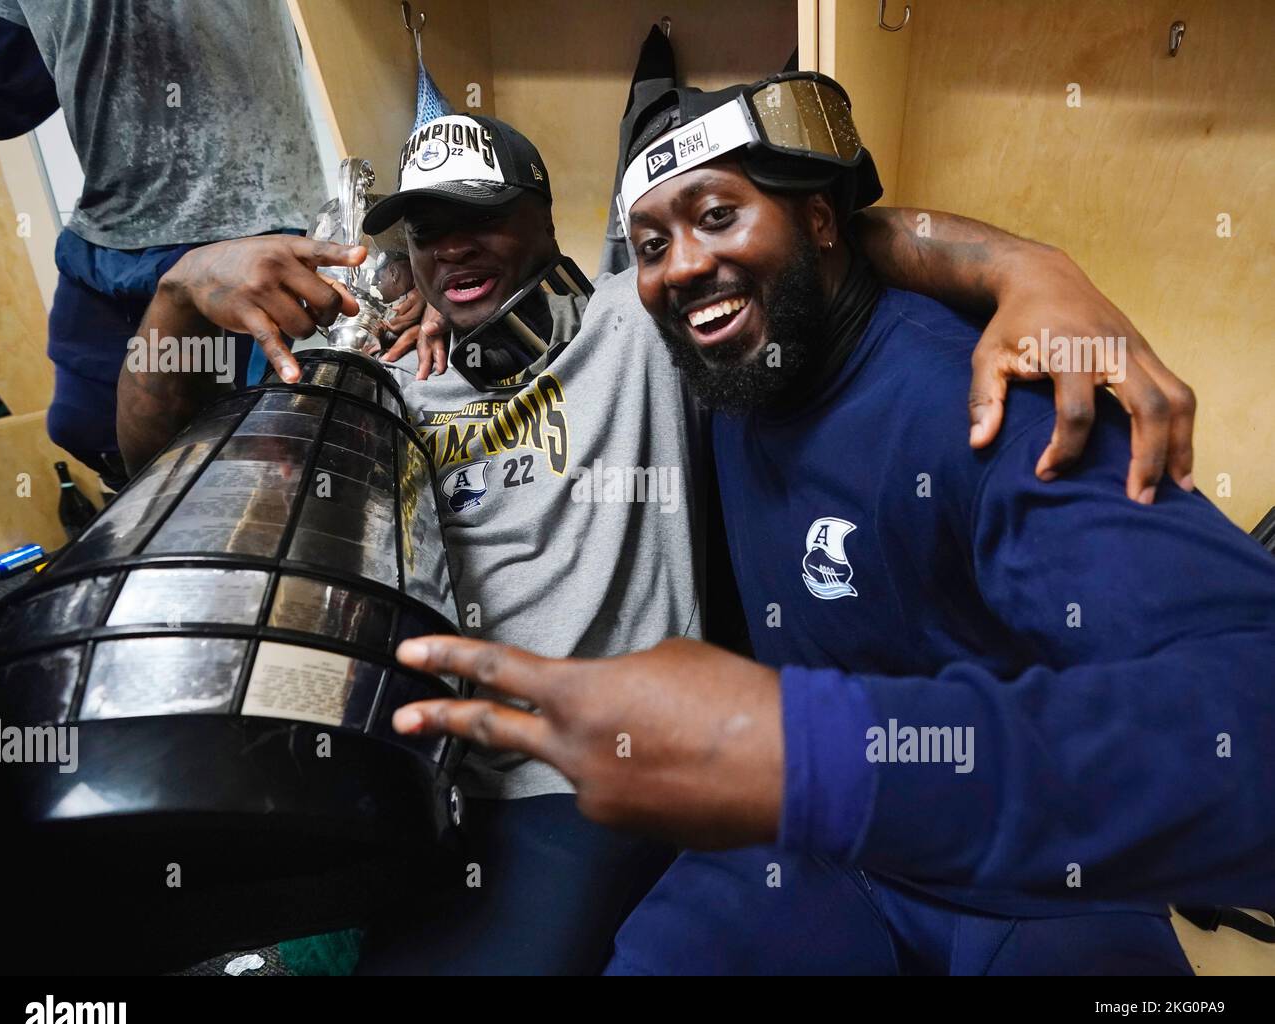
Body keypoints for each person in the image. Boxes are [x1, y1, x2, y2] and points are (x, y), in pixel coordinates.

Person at [118, 107, 1199, 974]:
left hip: (576, 778)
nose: (451, 245)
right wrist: (174, 298)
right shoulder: (386, 378)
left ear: (546, 219)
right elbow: (155, 480)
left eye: (478, 214)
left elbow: (811, 235)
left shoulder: (641, 328)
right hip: (408, 768)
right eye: (426, 224)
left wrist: (1028, 268)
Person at [383, 74, 1275, 975]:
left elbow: (1252, 721)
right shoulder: (720, 372)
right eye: (652, 243)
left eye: (719, 215)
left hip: (1043, 884)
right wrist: (437, 296)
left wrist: (806, 748)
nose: (684, 264)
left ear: (818, 222)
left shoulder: (995, 401)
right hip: (816, 856)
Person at [0, 0, 326, 488]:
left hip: (237, 227)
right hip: (108, 236)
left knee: (232, 464)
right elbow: (1, 91)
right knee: (88, 431)